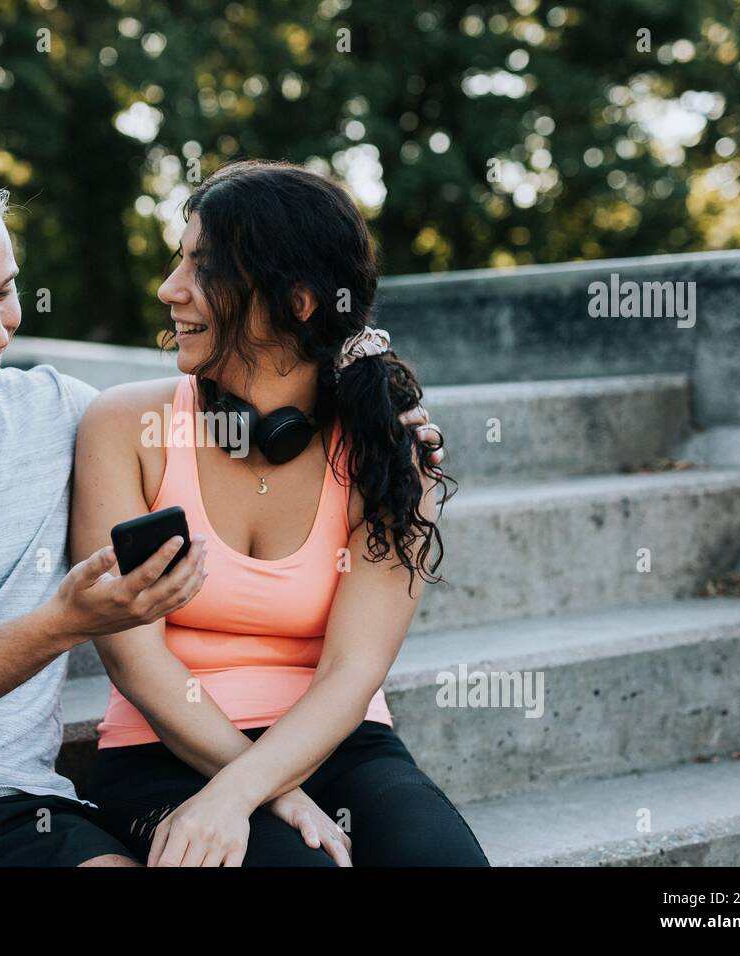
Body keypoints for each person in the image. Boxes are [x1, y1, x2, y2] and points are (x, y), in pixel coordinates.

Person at [0, 155, 454, 866]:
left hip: (21, 814)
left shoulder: (64, 413)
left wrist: (383, 420)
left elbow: (241, 392)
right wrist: (64, 622)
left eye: (4, 292)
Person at [72, 159, 488, 866]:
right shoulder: (124, 426)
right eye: (180, 261)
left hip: (336, 744)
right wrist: (264, 794)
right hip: (162, 755)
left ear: (296, 302)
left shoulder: (391, 450)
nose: (171, 290)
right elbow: (132, 657)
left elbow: (354, 673)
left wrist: (247, 791)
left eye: (202, 269)